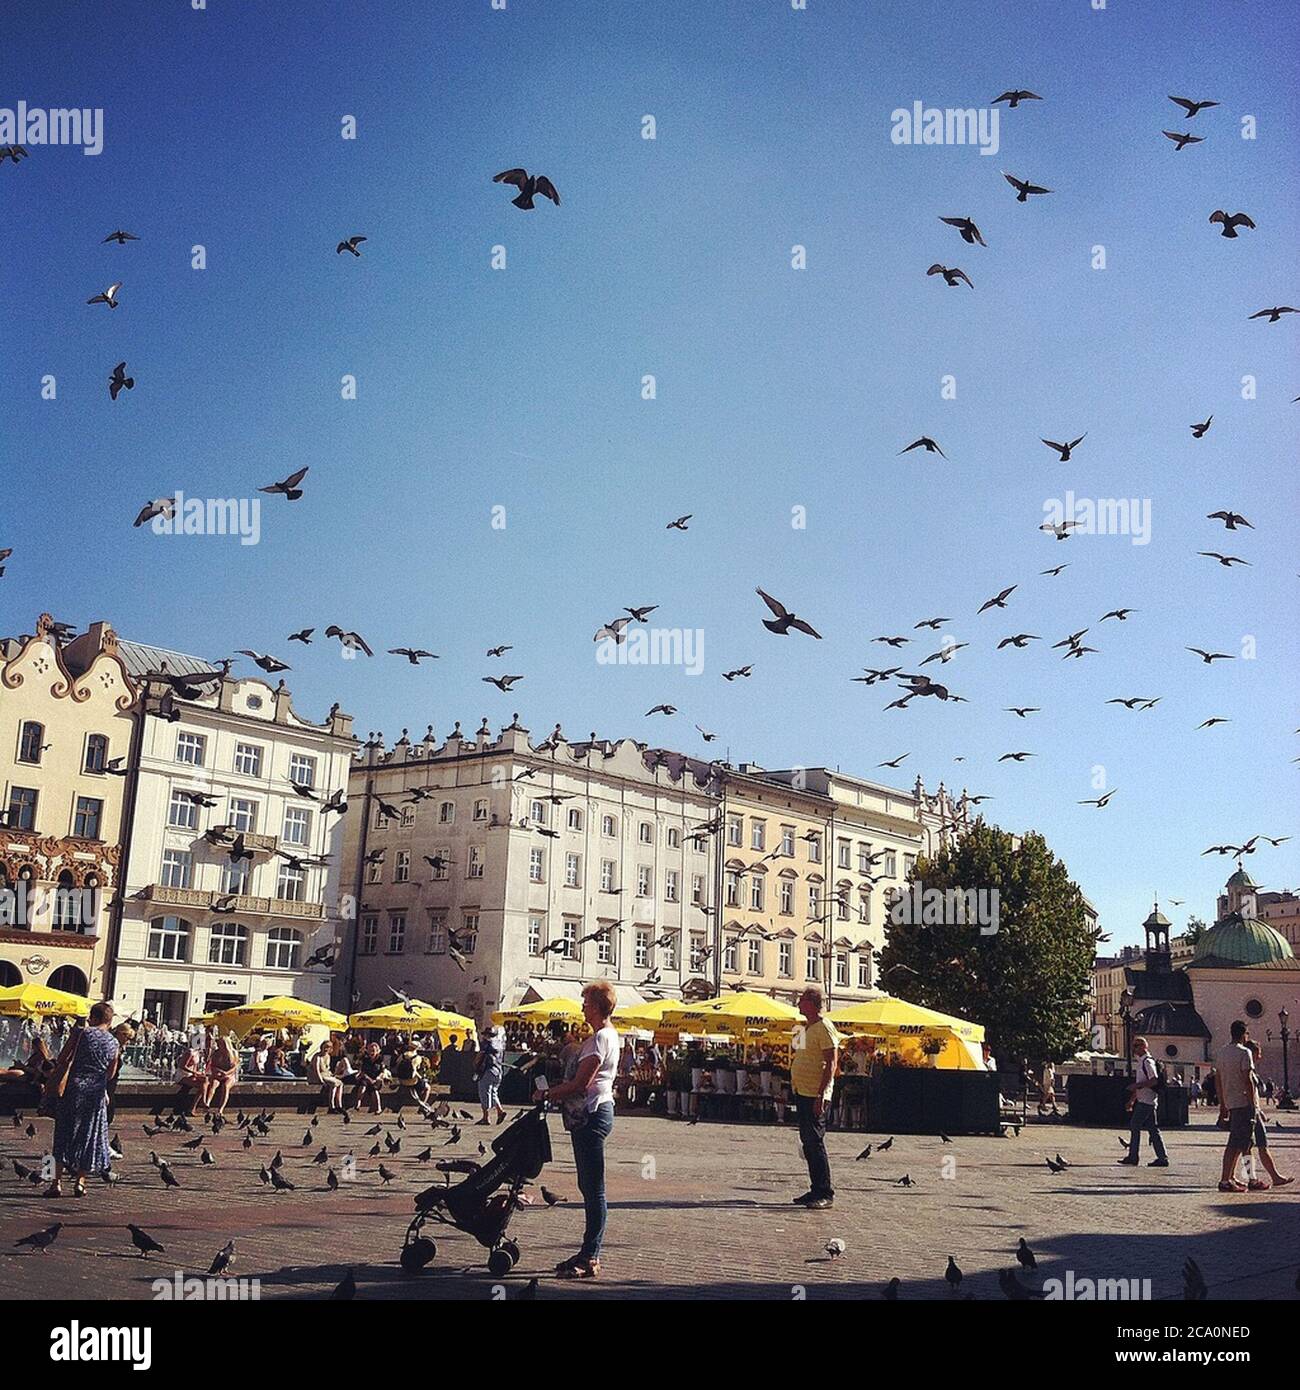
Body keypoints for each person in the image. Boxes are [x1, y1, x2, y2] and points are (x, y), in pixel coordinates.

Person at [539, 981, 618, 1279]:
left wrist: (547, 1094)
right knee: (589, 1186)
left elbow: (580, 1084)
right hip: (598, 1112)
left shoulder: (599, 1039)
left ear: (597, 1006)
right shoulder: (607, 1035)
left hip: (591, 1115)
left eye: (585, 1003)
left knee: (594, 1188)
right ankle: (588, 1251)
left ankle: (590, 1256)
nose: (582, 1007)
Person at [46, 1001, 120, 1198]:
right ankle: (80, 1182)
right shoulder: (114, 1042)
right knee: (88, 1136)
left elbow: (62, 1058)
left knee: (62, 1134)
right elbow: (111, 1073)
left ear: (93, 1018)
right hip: (95, 1094)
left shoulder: (81, 1033)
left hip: (73, 1090)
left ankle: (56, 1183)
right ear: (109, 1020)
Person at [790, 985, 841, 1209]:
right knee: (807, 1142)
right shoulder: (804, 1028)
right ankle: (815, 1189)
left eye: (802, 1000)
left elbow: (832, 1062)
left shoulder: (824, 1026)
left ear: (812, 1003)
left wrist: (822, 1095)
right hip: (802, 1091)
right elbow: (799, 1054)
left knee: (815, 1142)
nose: (798, 1003)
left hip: (815, 1093)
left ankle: (825, 1192)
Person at [1212, 1020, 1256, 1194]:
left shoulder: (1221, 1053)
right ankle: (1225, 1180)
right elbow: (1248, 1080)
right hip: (1243, 1102)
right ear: (1244, 1034)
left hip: (1230, 1102)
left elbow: (1218, 1081)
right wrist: (1253, 1104)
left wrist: (1223, 1105)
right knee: (1235, 1143)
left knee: (1244, 1143)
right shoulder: (1244, 1053)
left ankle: (1239, 1176)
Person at [1118, 1036, 1168, 1167]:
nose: (1133, 1049)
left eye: (1136, 1046)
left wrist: (1135, 1087)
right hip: (1146, 1100)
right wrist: (1132, 1100)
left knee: (1135, 1125)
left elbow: (1154, 1080)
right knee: (1152, 1129)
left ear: (1144, 1047)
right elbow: (1140, 1083)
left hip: (1147, 1100)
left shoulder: (1147, 1062)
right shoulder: (1141, 1062)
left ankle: (1133, 1156)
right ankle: (1162, 1158)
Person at [475, 1025, 507, 1124]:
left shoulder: (486, 1044)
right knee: (493, 1092)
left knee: (484, 1093)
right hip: (498, 1071)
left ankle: (486, 1117)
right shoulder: (500, 1044)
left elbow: (480, 1056)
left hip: (487, 1070)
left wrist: (475, 1064)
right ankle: (500, 1111)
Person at [207, 1031, 240, 1115]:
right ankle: (207, 1103)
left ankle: (220, 1109)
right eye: (218, 1044)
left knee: (225, 1086)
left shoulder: (233, 1053)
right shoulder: (216, 1053)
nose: (219, 1046)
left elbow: (235, 1067)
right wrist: (219, 1072)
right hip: (218, 1074)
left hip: (230, 1075)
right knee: (213, 1084)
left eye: (221, 1044)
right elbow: (212, 1066)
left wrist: (226, 1073)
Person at [352, 1041, 387, 1113]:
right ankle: (358, 1103)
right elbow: (363, 1071)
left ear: (377, 1051)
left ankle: (378, 1108)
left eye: (374, 1051)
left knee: (375, 1090)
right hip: (366, 1079)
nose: (372, 1052)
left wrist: (377, 1078)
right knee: (363, 1086)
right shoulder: (365, 1060)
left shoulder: (380, 1060)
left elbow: (382, 1071)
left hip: (376, 1080)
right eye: (370, 1050)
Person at [314, 1041, 343, 1111]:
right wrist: (320, 1079)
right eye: (325, 1047)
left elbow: (327, 1068)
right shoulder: (317, 1057)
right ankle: (331, 1105)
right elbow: (316, 1069)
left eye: (329, 1047)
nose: (326, 1049)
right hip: (319, 1076)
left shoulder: (328, 1056)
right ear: (322, 1047)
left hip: (327, 1075)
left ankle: (339, 1104)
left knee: (340, 1083)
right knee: (334, 1083)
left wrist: (333, 1074)